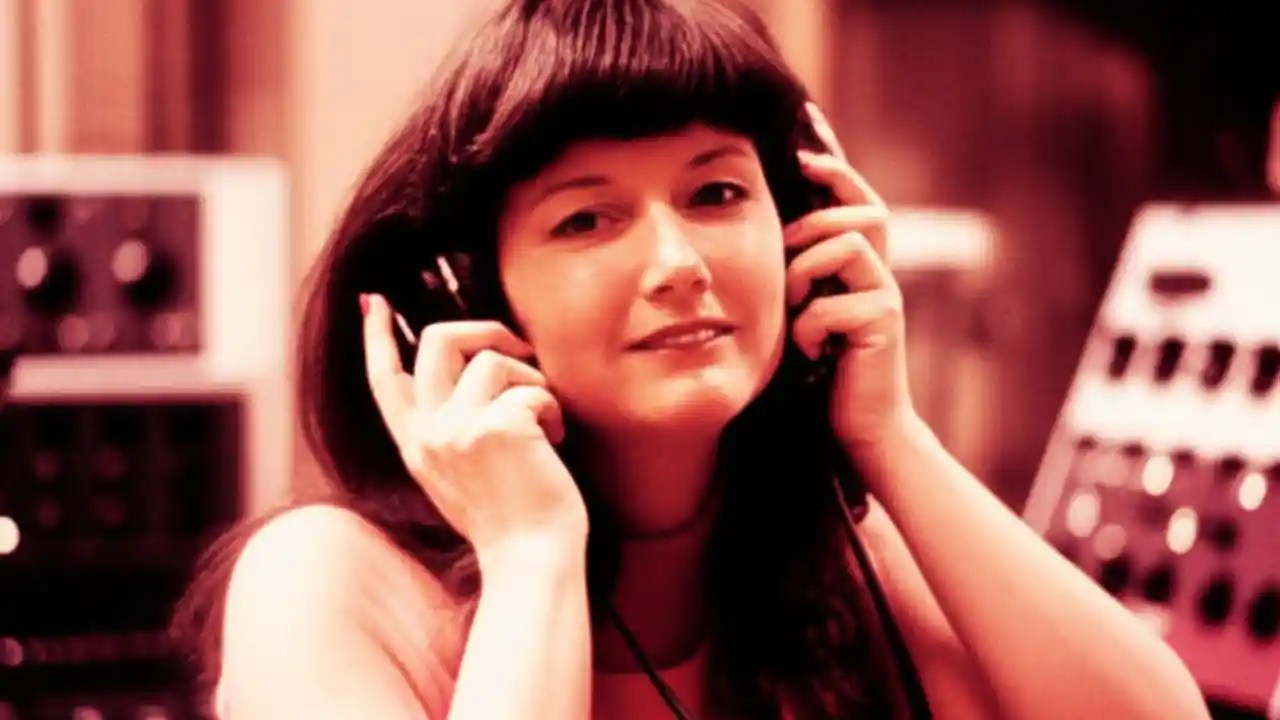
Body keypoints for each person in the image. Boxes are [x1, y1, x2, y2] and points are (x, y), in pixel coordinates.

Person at [172, 0, 1211, 718]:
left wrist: (888, 437)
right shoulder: (327, 584)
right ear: (470, 293)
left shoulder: (851, 565)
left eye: (715, 195)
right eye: (586, 220)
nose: (675, 263)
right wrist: (531, 551)